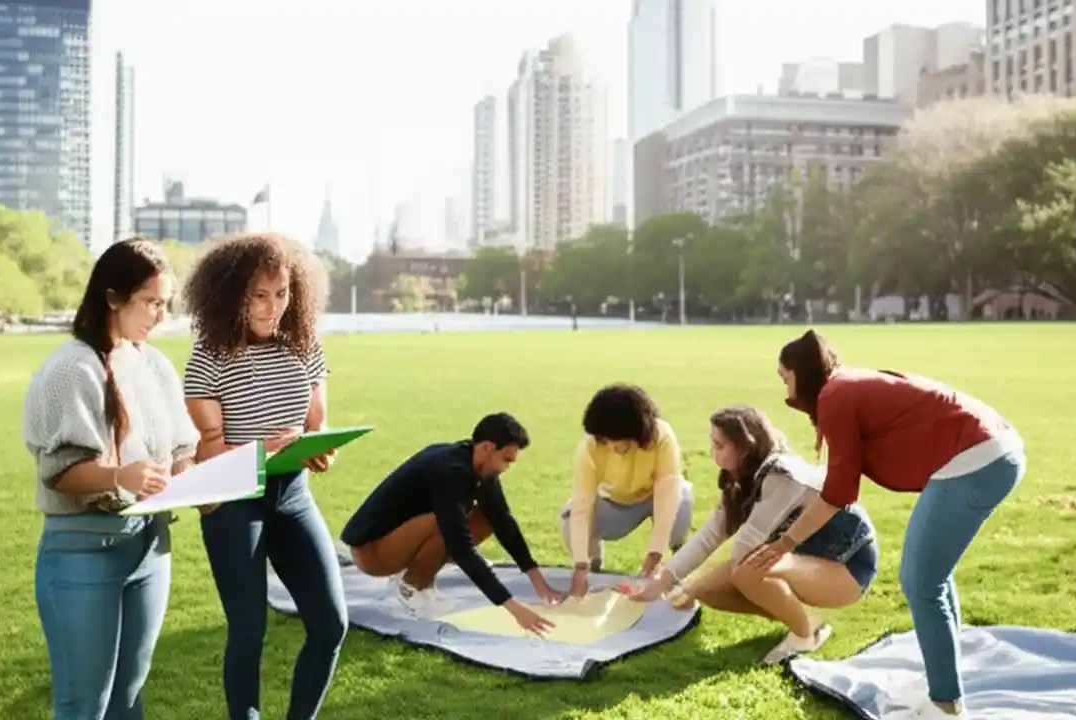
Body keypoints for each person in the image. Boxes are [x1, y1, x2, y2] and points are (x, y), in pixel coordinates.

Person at [746, 329, 1026, 720]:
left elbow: (839, 492)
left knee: (921, 582)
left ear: (802, 373)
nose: (786, 391)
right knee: (932, 579)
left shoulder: (836, 395)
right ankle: (945, 682)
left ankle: (945, 705)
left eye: (786, 378)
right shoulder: (845, 386)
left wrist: (786, 542)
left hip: (976, 459)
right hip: (996, 453)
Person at [21, 238, 200, 719]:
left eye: (165, 303)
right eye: (150, 302)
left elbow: (181, 448)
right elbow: (59, 472)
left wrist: (194, 479)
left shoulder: (154, 364)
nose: (160, 316)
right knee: (84, 706)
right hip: (84, 553)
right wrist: (122, 475)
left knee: (128, 697)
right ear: (113, 298)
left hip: (151, 548)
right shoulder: (72, 369)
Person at [181, 233, 347, 720]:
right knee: (248, 630)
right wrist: (263, 450)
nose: (273, 307)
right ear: (232, 293)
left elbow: (317, 426)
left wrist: (322, 452)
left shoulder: (305, 346)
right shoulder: (209, 357)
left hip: (293, 498)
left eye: (282, 294)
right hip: (234, 502)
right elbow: (208, 452)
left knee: (330, 625)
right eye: (259, 295)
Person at [618, 405, 878, 666]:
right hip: (805, 562)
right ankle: (808, 621)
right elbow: (708, 536)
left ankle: (805, 637)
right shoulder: (740, 478)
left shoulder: (782, 475)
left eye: (719, 445)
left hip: (847, 569)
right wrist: (661, 584)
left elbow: (745, 550)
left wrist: (685, 587)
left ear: (744, 448)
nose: (712, 452)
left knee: (746, 570)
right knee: (709, 591)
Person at [340, 413, 564, 635]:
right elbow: (460, 545)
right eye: (506, 460)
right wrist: (513, 607)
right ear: (487, 447)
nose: (506, 467)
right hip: (372, 553)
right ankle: (410, 589)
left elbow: (502, 519)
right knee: (445, 525)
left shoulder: (478, 466)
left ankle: (421, 581)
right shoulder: (450, 471)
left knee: (486, 518)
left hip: (400, 539)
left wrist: (538, 581)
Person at [560, 384, 693, 598]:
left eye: (617, 439)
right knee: (569, 520)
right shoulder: (590, 447)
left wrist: (655, 552)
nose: (612, 446)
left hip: (653, 498)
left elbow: (667, 494)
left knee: (682, 495)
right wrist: (580, 565)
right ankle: (594, 567)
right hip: (614, 502)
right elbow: (582, 504)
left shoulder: (662, 437)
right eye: (606, 440)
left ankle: (677, 564)